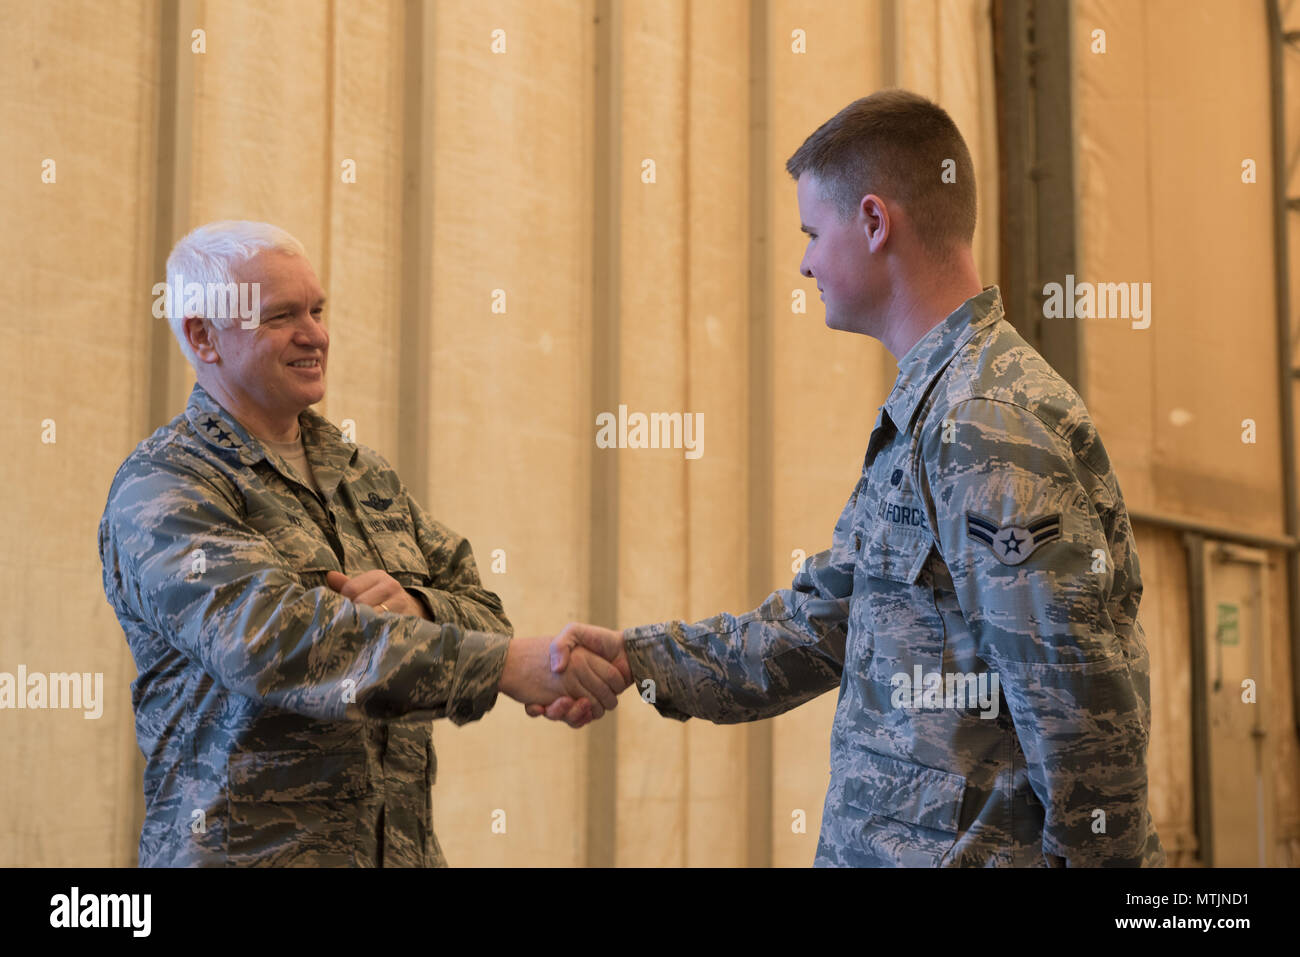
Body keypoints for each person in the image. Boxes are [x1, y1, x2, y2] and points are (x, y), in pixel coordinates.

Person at [534, 90, 1166, 867]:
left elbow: (1080, 720)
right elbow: (815, 627)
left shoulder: (989, 420)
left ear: (874, 222)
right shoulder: (932, 415)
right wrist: (640, 657)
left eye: (811, 232)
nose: (803, 262)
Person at [98, 221, 627, 867]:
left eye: (317, 310)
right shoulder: (166, 486)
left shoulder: (362, 473)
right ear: (203, 336)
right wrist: (502, 666)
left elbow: (485, 610)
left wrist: (421, 608)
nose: (315, 334)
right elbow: (268, 641)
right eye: (281, 316)